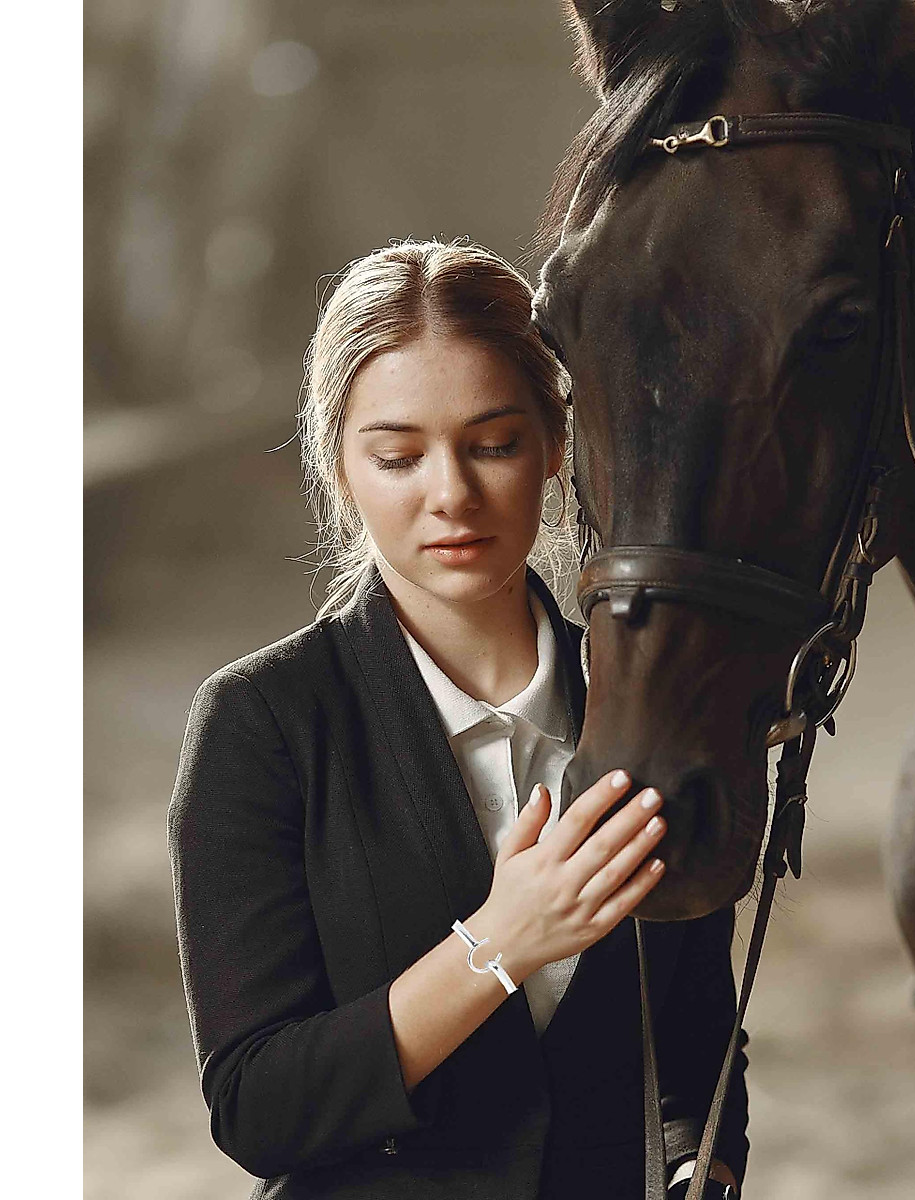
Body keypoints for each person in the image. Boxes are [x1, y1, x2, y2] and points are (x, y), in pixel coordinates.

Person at [168, 240, 749, 1199]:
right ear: (340, 467)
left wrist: (706, 1163)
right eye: (399, 455)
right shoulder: (260, 724)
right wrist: (499, 942)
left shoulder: (650, 715)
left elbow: (697, 1052)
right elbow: (257, 1107)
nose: (451, 494)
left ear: (558, 444)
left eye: (493, 444)